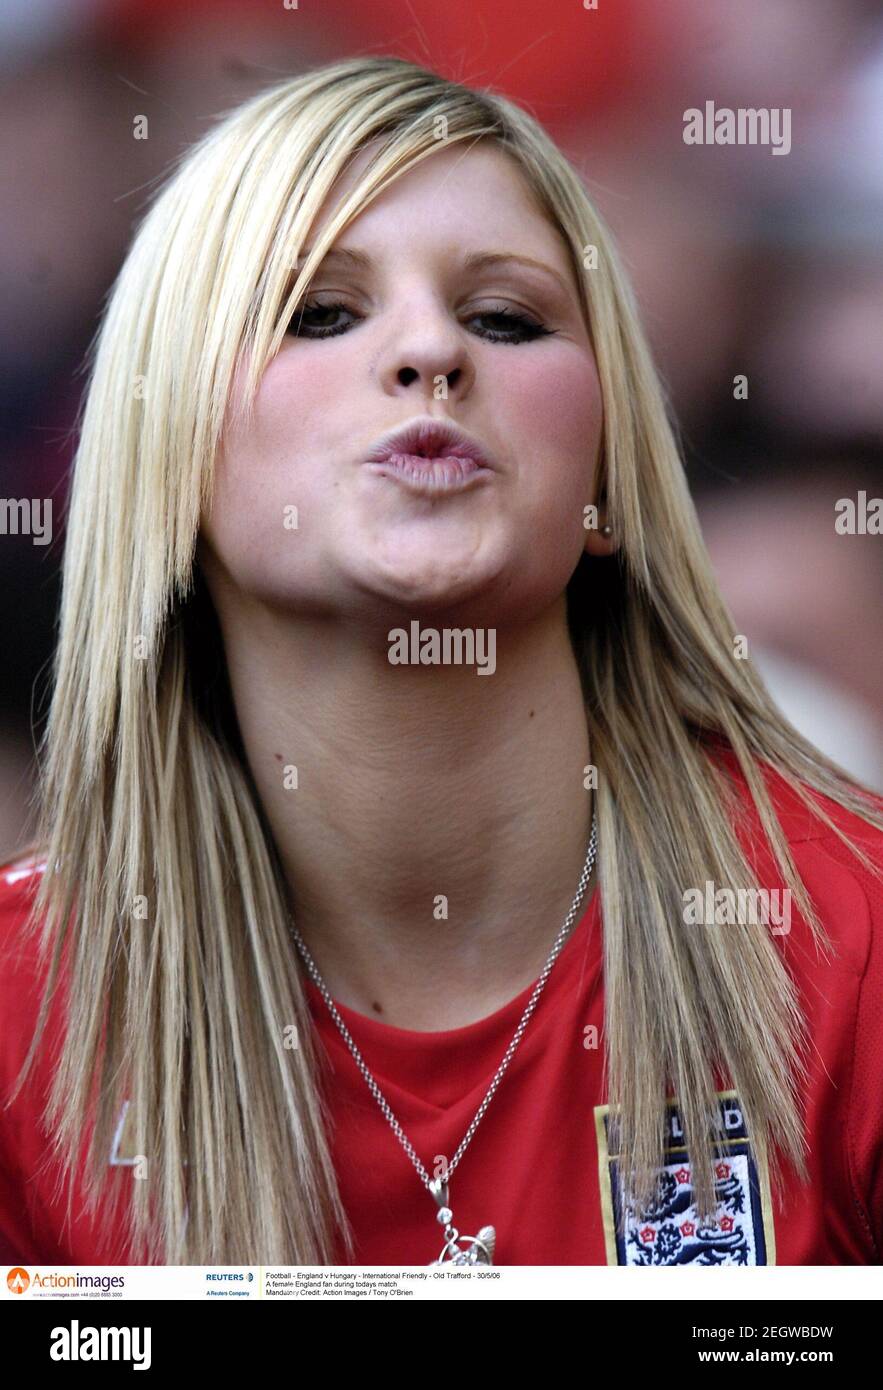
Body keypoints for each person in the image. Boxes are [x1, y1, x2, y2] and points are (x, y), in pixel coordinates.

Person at [1, 55, 882, 1269]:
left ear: (607, 480)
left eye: (505, 317)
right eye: (318, 311)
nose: (428, 350)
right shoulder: (17, 1012)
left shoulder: (856, 939)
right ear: (167, 453)